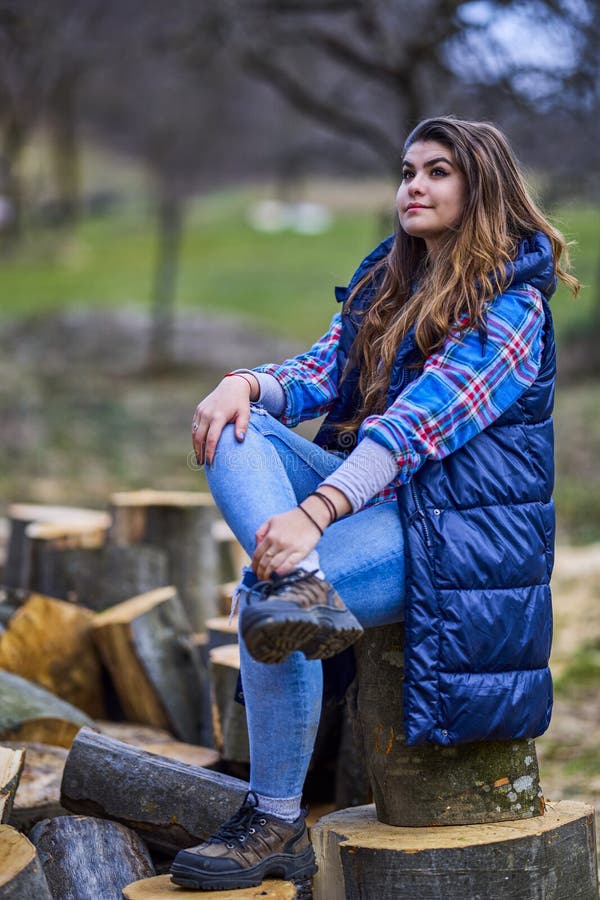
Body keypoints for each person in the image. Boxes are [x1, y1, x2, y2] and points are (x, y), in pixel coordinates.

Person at [170, 116, 579, 892]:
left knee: (258, 596)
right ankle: (297, 586)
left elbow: (415, 427)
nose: (413, 187)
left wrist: (314, 515)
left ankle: (275, 818)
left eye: (438, 172)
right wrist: (247, 383)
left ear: (481, 186)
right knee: (237, 426)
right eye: (407, 171)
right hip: (375, 501)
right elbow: (320, 371)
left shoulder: (514, 309)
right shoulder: (390, 277)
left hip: (451, 537)